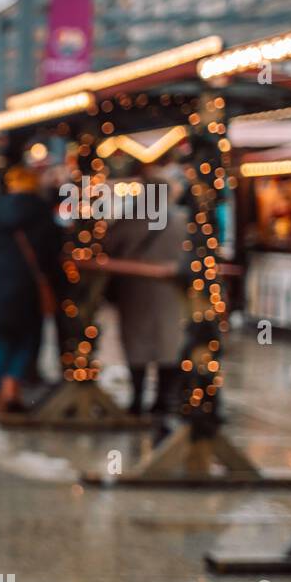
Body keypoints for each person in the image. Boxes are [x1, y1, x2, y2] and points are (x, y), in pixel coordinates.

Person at [0, 164, 63, 414]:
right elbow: (52, 255)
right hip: (27, 287)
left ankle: (2, 391)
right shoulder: (42, 214)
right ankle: (11, 388)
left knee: (1, 341)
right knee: (26, 340)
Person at [102, 166, 189, 421]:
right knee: (169, 344)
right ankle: (163, 400)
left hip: (134, 291)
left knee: (136, 344)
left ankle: (137, 399)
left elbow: (108, 246)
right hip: (170, 293)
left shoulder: (130, 218)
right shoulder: (181, 220)